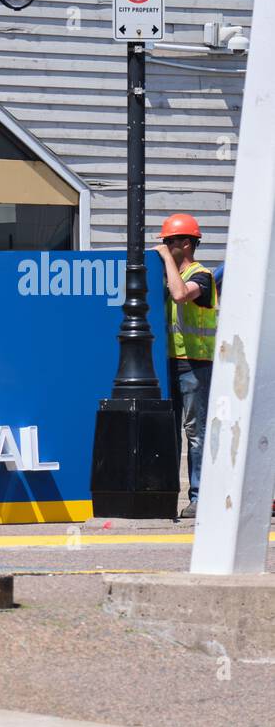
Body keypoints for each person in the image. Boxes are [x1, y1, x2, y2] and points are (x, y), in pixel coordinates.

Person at [154, 213, 217, 520]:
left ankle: (200, 497)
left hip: (196, 365)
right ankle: (168, 497)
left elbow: (181, 295)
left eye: (170, 242)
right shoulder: (166, 278)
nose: (165, 246)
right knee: (170, 433)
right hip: (169, 363)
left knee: (196, 431)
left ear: (186, 243)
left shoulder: (201, 276)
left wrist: (165, 259)